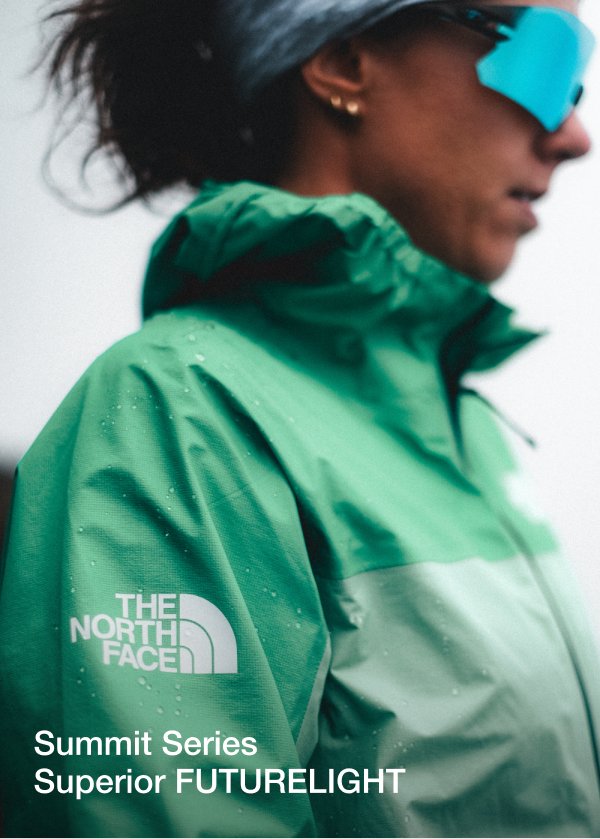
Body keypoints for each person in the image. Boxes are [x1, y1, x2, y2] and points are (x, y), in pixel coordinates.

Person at [1, 0, 599, 836]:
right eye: (548, 56)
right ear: (344, 62)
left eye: (579, 79)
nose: (574, 135)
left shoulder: (470, 428)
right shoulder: (181, 414)